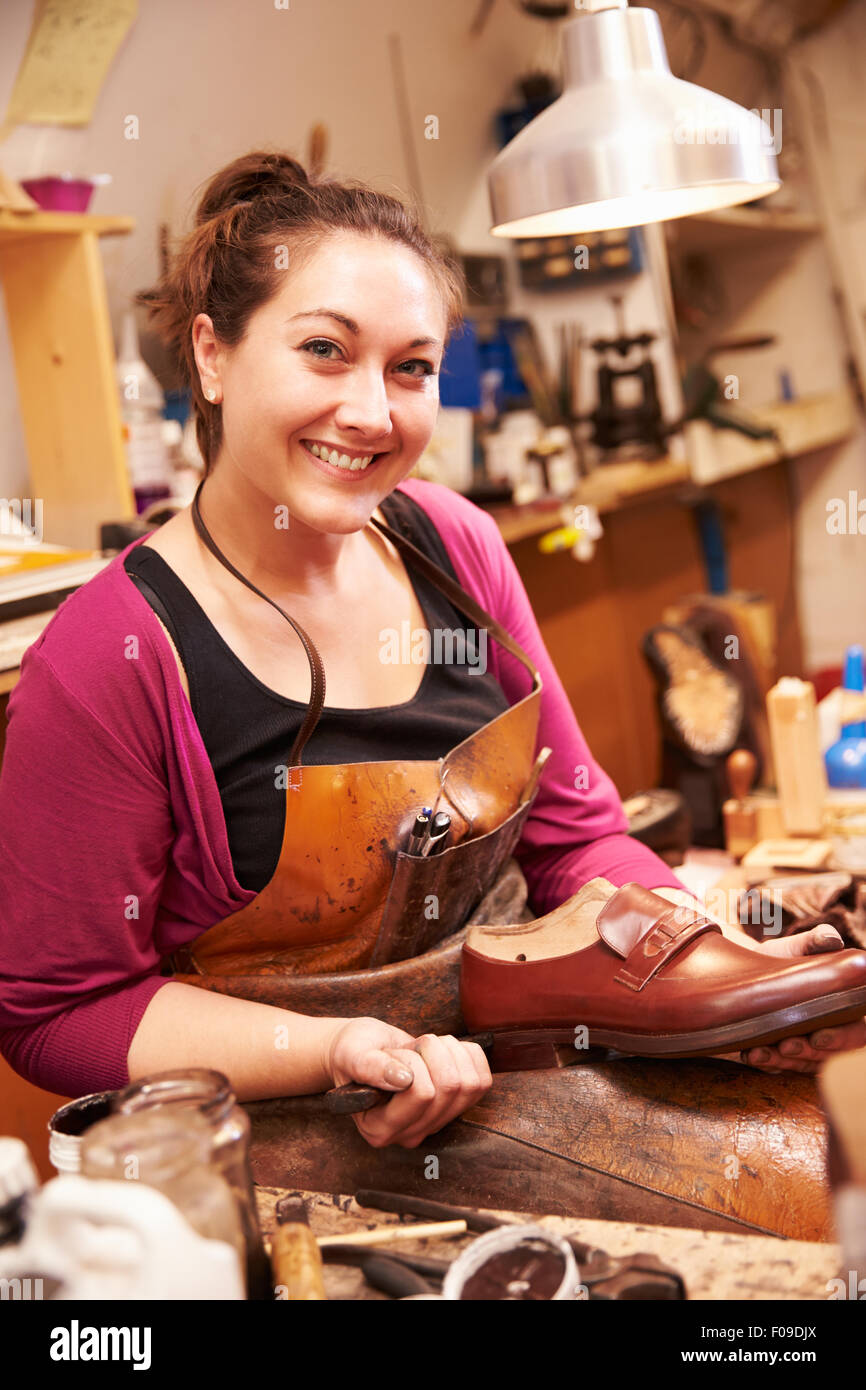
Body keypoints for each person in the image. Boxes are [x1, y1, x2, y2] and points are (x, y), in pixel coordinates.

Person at [0, 152, 861, 1151]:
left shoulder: (454, 547)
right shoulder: (109, 654)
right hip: (296, 1136)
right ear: (212, 355)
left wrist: (702, 970)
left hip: (527, 1060)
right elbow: (56, 1011)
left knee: (827, 1143)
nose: (372, 412)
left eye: (410, 367)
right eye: (324, 349)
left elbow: (577, 841)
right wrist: (337, 1048)